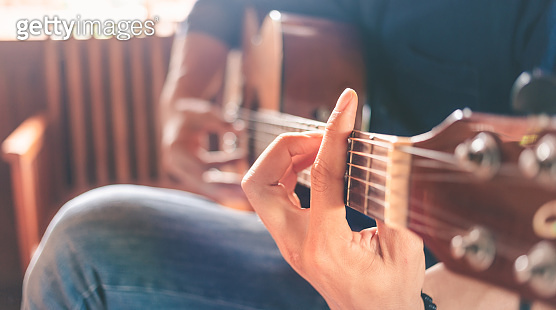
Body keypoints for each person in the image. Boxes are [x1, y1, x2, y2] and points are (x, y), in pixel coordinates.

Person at [22, 0, 556, 309]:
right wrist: (180, 99)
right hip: (305, 228)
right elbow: (217, 11)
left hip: (443, 275)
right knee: (82, 242)